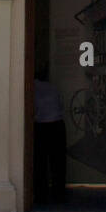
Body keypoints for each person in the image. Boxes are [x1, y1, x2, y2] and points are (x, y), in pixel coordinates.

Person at [33, 71, 67, 205]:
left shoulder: (31, 87)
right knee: (58, 161)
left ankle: (41, 194)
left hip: (40, 126)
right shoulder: (53, 88)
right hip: (57, 125)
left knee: (40, 161)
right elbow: (61, 105)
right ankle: (59, 194)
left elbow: (32, 109)